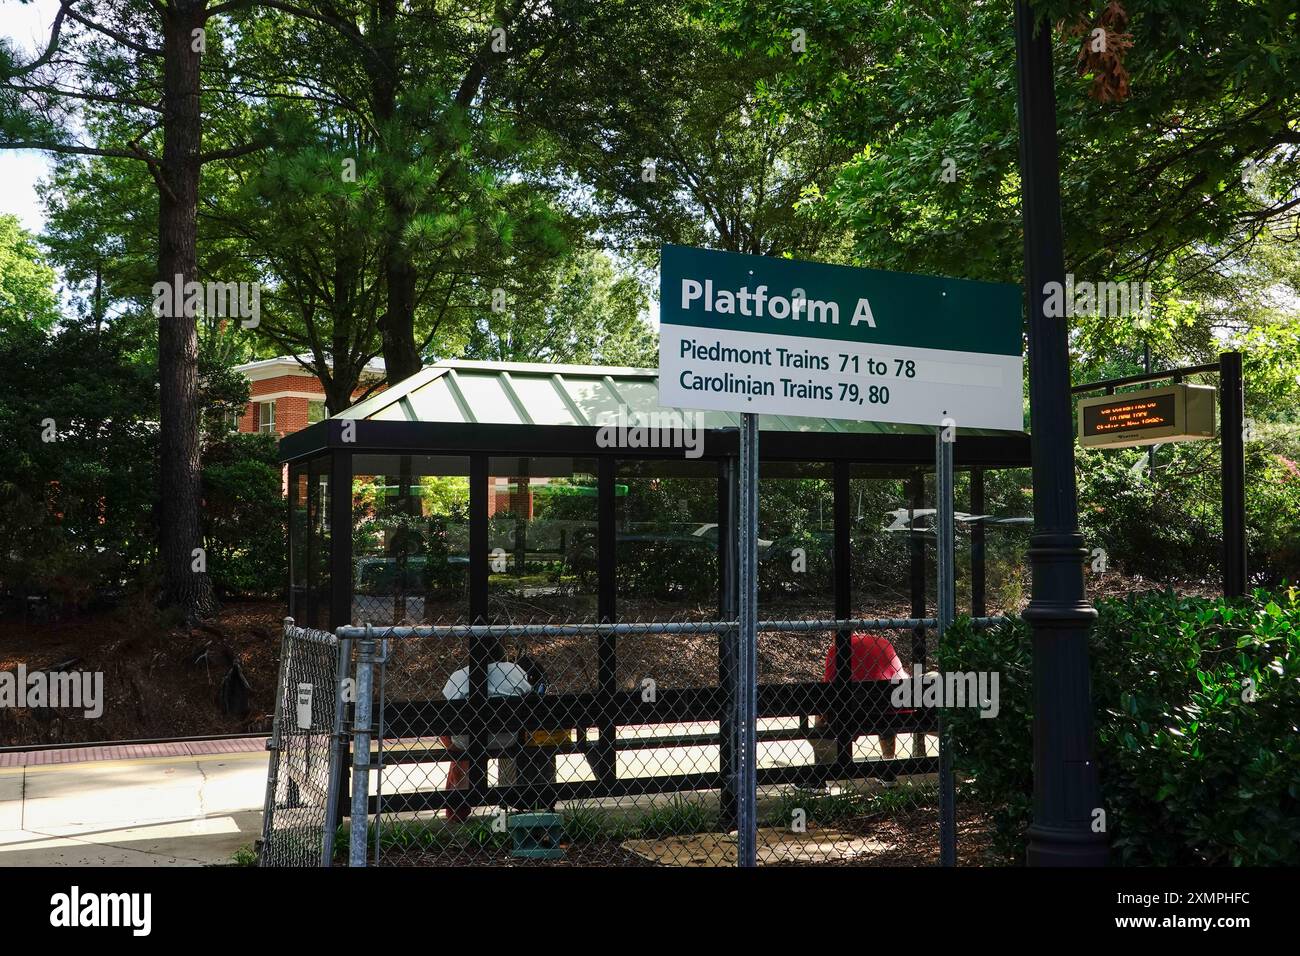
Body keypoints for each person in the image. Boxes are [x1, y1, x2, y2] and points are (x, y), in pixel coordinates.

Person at [810, 632, 909, 766]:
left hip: (853, 716)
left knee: (821, 713)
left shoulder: (837, 649)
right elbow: (900, 676)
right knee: (886, 706)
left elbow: (827, 690)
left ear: (834, 635)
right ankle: (888, 769)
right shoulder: (883, 642)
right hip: (892, 712)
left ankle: (821, 773)